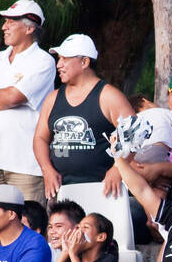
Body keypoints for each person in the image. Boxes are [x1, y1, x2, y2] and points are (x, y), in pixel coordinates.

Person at [0, 0, 56, 202]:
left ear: (30, 27)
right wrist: (7, 98)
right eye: (5, 21)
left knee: (28, 225)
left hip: (26, 162)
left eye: (11, 22)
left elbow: (14, 96)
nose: (3, 27)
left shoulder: (43, 61)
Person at [34, 33, 134, 199]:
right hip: (62, 189)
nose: (59, 65)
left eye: (65, 59)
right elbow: (40, 138)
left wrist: (118, 168)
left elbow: (134, 132)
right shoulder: (53, 98)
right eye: (59, 59)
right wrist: (47, 169)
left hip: (103, 189)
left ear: (84, 62)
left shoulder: (108, 95)